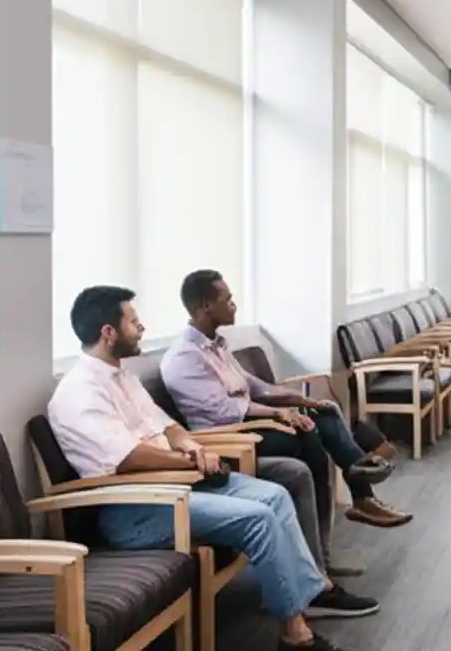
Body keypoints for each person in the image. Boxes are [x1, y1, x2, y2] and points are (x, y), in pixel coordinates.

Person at [48, 286, 377, 651]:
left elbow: (168, 427)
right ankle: (296, 633)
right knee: (258, 518)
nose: (141, 328)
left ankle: (309, 599)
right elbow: (128, 457)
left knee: (278, 495)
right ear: (108, 332)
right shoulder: (79, 392)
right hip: (139, 508)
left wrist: (191, 447)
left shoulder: (123, 377)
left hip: (178, 484)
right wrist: (191, 459)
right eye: (134, 322)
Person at [162, 270, 413, 530]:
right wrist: (278, 413)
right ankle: (347, 506)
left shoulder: (217, 345)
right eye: (227, 299)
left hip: (251, 423)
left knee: (324, 411)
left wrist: (299, 401)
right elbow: (226, 410)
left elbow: (252, 385)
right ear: (205, 306)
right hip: (229, 437)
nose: (233, 305)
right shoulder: (184, 357)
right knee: (309, 432)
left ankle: (361, 492)